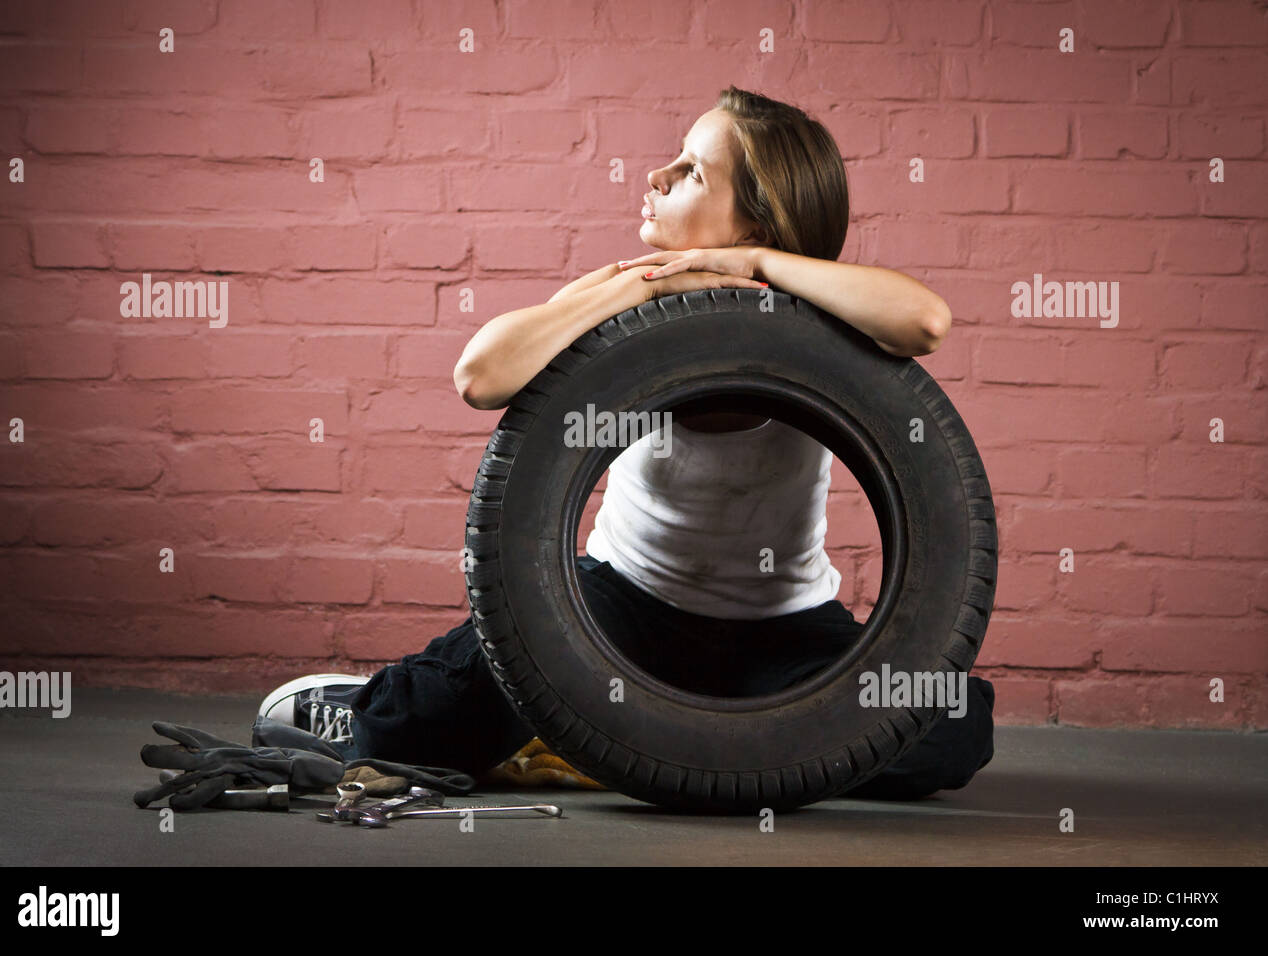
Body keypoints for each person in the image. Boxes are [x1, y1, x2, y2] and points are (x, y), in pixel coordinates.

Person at [259, 85, 995, 802]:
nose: (656, 176)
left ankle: (608, 742)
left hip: (782, 628)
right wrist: (634, 289)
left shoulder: (818, 324)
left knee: (953, 730)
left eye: (692, 172)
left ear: (756, 228)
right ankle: (453, 714)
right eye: (675, 159)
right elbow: (480, 375)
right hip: (624, 605)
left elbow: (924, 322)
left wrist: (763, 268)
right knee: (398, 730)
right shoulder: (624, 300)